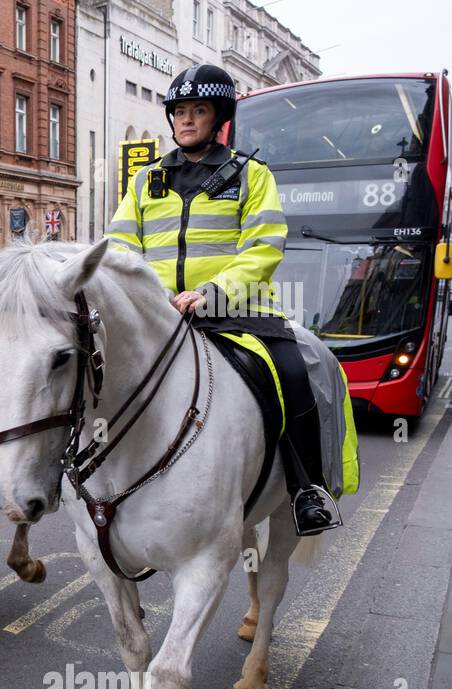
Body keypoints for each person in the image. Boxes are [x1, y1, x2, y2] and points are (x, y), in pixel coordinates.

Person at [106, 63, 336, 536]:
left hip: (240, 309)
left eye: (199, 110)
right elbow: (121, 248)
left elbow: (264, 247)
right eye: (180, 112)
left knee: (293, 372)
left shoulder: (253, 176)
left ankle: (307, 488)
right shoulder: (145, 180)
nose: (186, 120)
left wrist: (214, 293)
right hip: (162, 312)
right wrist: (154, 295)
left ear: (219, 117)